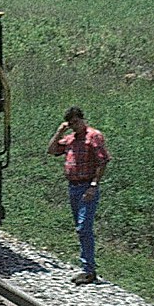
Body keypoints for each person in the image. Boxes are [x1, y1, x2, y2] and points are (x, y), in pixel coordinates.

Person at [48, 106, 111, 285]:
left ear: (82, 119)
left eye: (76, 122)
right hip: (73, 187)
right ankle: (87, 268)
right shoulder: (71, 139)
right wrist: (59, 131)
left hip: (86, 187)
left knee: (84, 227)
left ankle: (88, 270)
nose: (74, 126)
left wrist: (93, 185)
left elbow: (103, 160)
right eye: (71, 123)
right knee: (80, 228)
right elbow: (52, 150)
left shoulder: (93, 136)